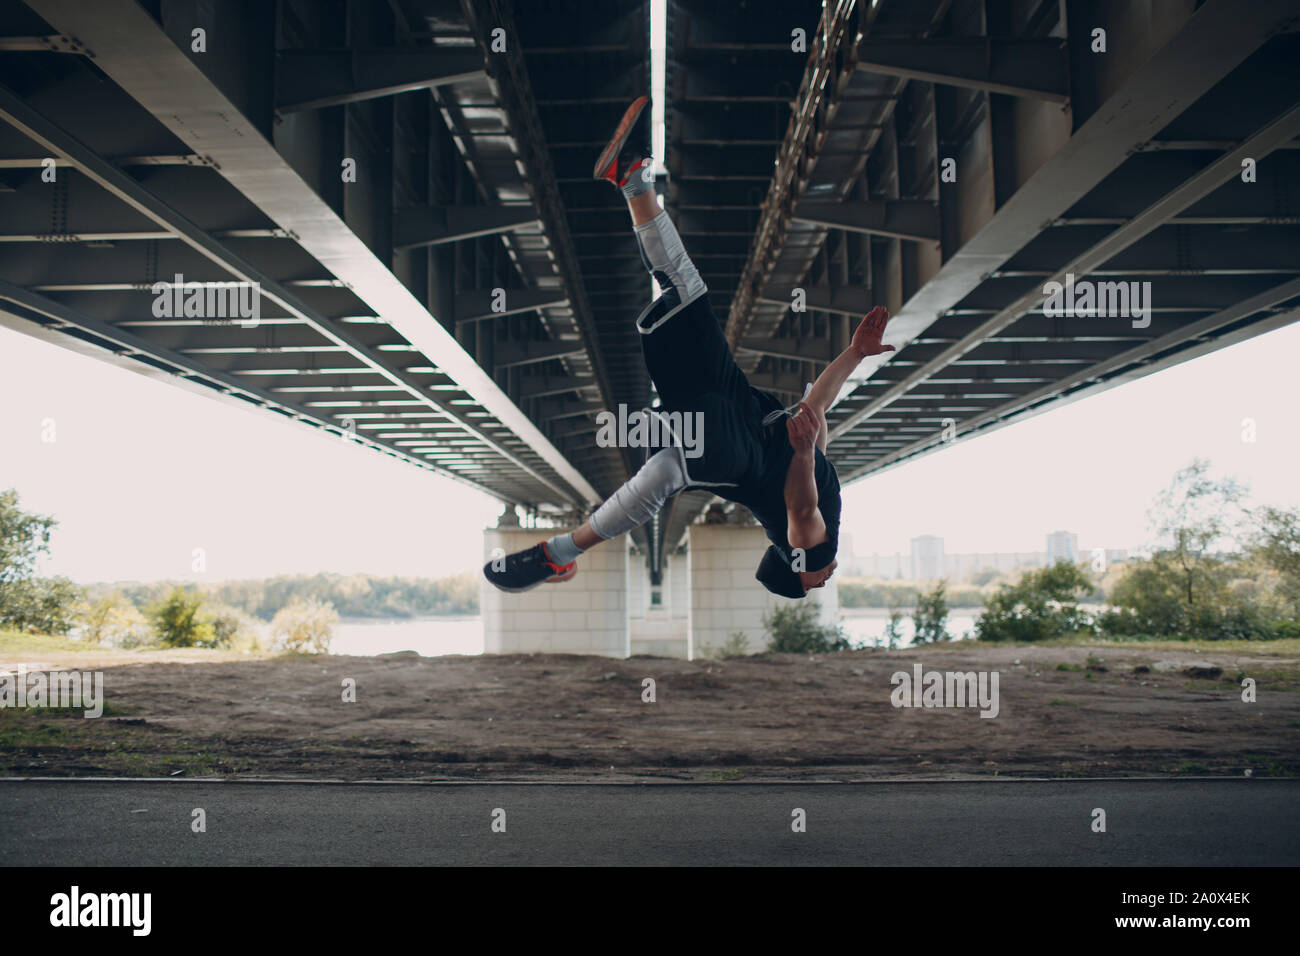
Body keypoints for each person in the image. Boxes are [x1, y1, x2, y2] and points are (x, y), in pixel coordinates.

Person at [483, 96, 894, 598]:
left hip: (736, 444)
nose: (823, 580)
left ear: (794, 569)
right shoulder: (808, 481)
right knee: (685, 300)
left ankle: (562, 553)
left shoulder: (811, 549)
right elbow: (817, 405)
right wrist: (854, 354)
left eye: (810, 586)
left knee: (668, 467)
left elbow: (801, 511)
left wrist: (806, 452)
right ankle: (632, 179)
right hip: (735, 412)